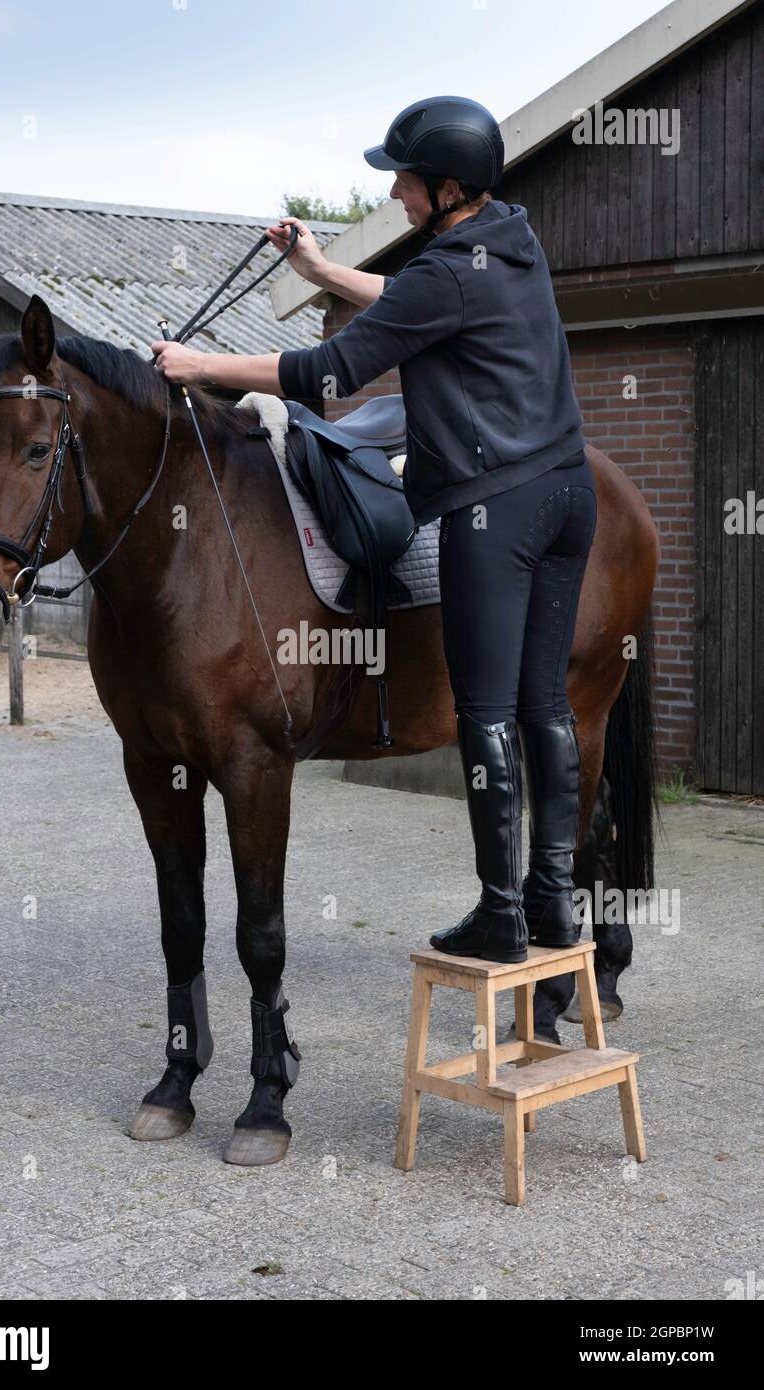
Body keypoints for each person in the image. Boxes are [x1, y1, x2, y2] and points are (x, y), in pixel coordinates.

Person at [152, 95, 598, 965]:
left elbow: (327, 370)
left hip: (494, 506)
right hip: (568, 494)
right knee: (547, 703)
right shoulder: (510, 240)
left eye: (402, 177)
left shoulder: (449, 269)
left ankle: (501, 913)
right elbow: (411, 301)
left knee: (488, 714)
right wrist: (320, 272)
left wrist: (198, 365)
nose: (394, 191)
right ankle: (550, 905)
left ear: (444, 184)